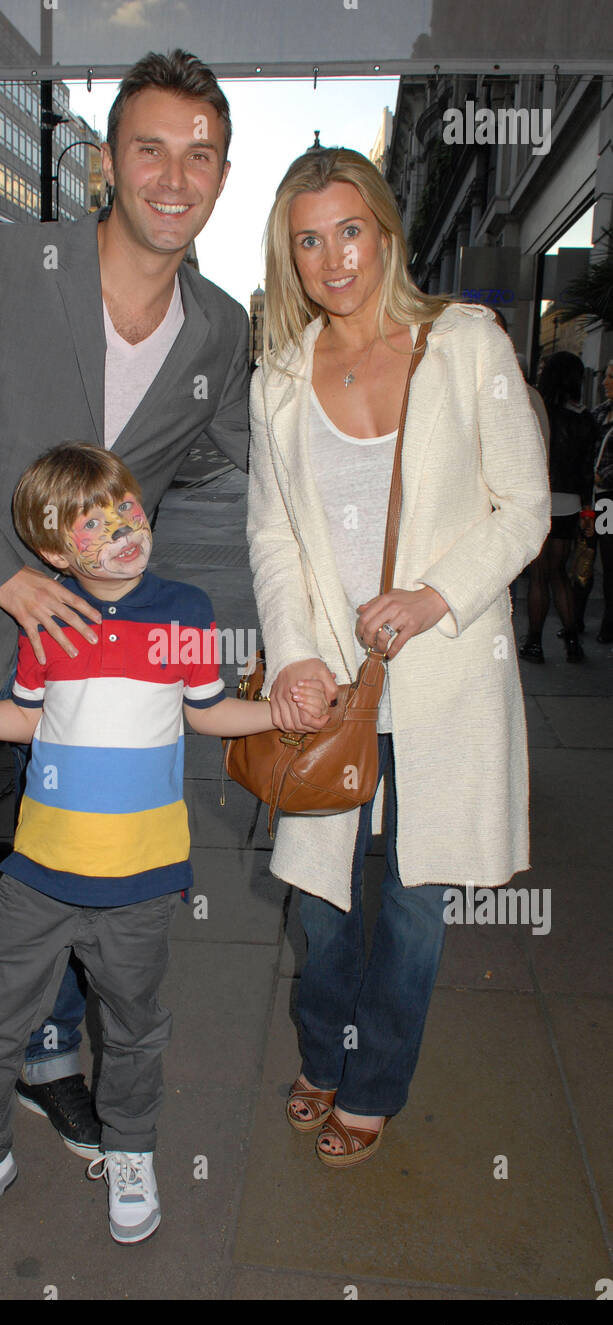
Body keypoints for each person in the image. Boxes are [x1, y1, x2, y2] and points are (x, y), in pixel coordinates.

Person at [0, 49, 249, 1221]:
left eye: (200, 152)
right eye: (150, 147)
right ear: (106, 164)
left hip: (103, 673)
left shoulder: (218, 328)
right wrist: (1, 575)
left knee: (78, 866)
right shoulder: (13, 264)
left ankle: (42, 1060)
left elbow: (226, 465)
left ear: (221, 172)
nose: (174, 175)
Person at [0, 444, 320, 1248]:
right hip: (37, 879)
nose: (122, 530)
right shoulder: (46, 615)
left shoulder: (184, 610)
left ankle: (129, 1149)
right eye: (94, 524)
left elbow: (205, 713)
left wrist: (277, 718)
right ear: (55, 552)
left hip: (142, 878)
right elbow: (27, 720)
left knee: (132, 1027)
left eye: (125, 508)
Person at [246, 147, 550, 1167]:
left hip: (443, 685)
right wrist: (288, 652)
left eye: (348, 231)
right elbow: (272, 535)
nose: (332, 259)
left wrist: (433, 596)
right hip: (327, 688)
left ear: (383, 232)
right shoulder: (279, 377)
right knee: (322, 905)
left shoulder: (463, 343)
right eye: (307, 239)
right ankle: (323, 1049)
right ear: (286, 256)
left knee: (414, 910)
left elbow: (521, 511)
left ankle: (371, 1082)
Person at [518, 351, 596, 664]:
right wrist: (587, 511)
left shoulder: (536, 408)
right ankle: (572, 640)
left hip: (540, 496)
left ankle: (535, 642)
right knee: (559, 573)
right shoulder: (582, 415)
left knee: (538, 575)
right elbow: (587, 468)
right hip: (569, 502)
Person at [576, 359, 613, 643]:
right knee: (584, 557)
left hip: (608, 500)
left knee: (608, 560)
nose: (604, 382)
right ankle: (575, 618)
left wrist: (604, 477)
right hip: (590, 499)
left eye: (610, 377)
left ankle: (608, 623)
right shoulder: (598, 413)